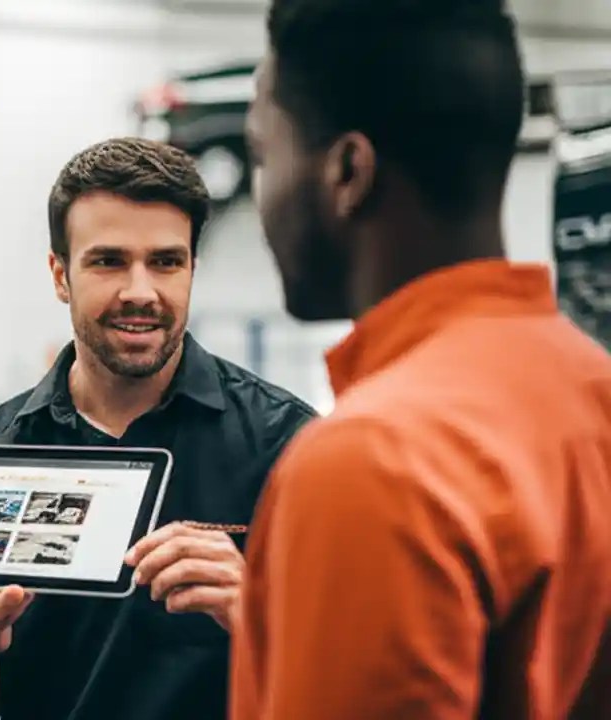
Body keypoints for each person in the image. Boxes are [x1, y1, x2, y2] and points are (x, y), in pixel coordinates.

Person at [232, 1, 611, 718]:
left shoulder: (374, 459)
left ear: (347, 171)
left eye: (262, 155)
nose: (263, 197)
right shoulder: (594, 392)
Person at [0, 137, 318, 720]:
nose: (141, 292)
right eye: (108, 261)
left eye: (166, 262)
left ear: (192, 270)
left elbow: (361, 676)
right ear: (60, 275)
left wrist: (256, 614)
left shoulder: (291, 448)